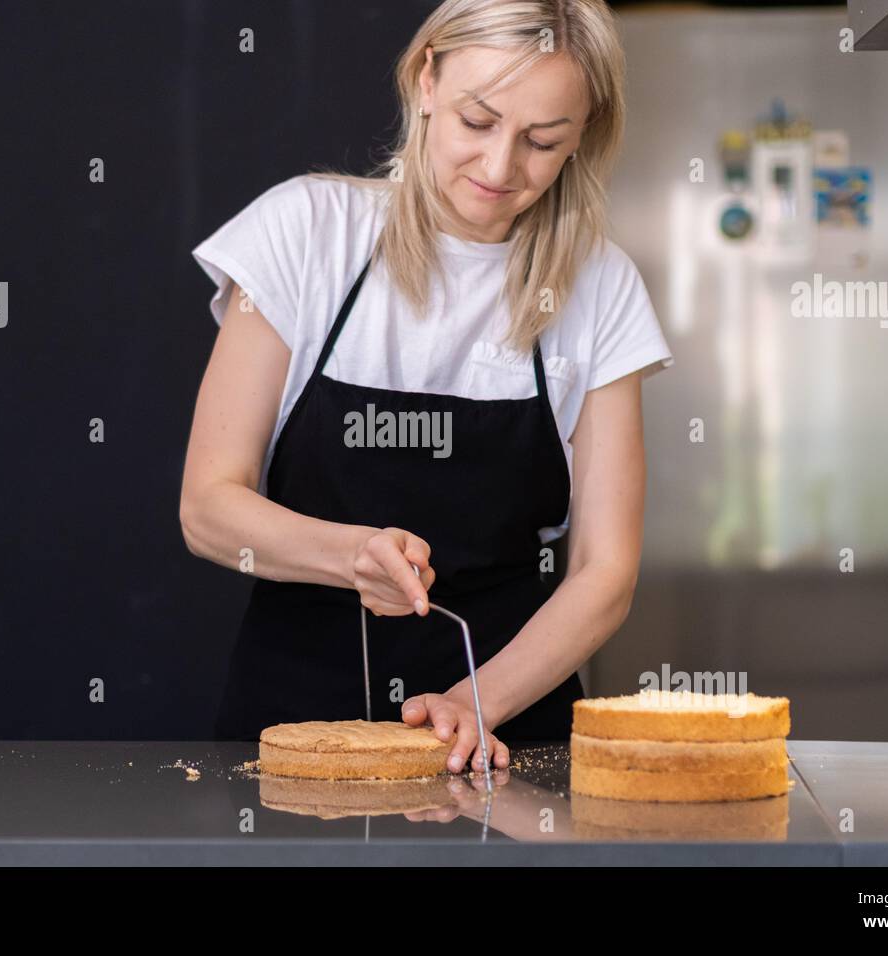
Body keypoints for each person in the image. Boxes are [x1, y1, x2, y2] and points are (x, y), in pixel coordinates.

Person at [181, 0, 672, 775]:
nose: (501, 168)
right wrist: (351, 555)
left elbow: (604, 572)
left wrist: (480, 698)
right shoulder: (304, 234)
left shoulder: (600, 286)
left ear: (584, 136)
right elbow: (209, 507)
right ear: (426, 79)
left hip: (508, 737)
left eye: (543, 141)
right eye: (478, 121)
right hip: (290, 729)